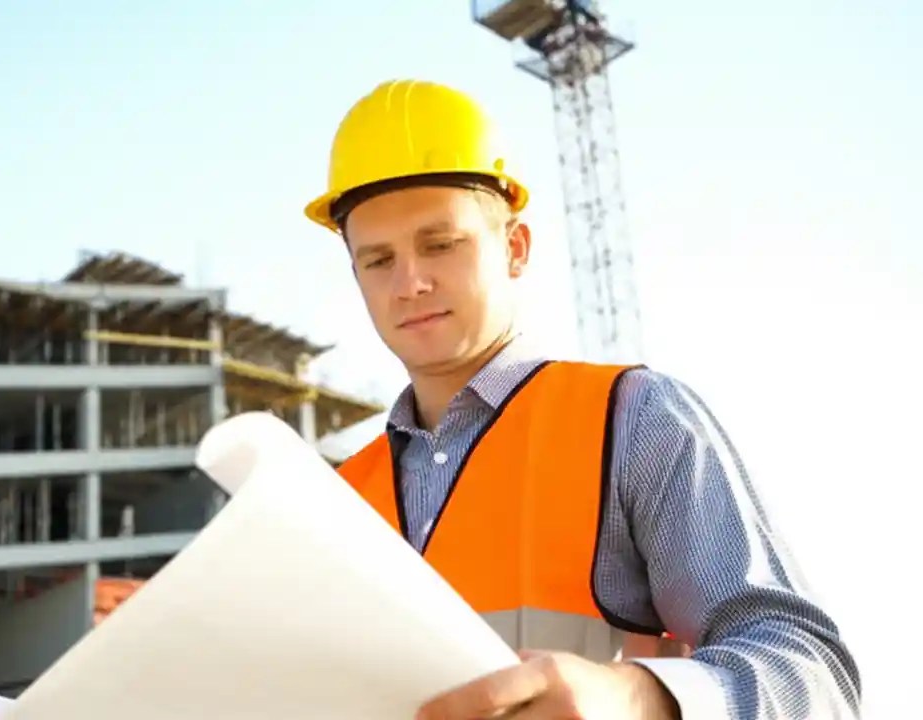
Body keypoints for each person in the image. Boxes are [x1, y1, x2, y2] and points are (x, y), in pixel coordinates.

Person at [305, 79, 861, 720]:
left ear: (515, 248)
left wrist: (639, 697)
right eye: (378, 260)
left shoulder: (634, 420)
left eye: (441, 244)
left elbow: (812, 677)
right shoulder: (333, 501)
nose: (410, 282)